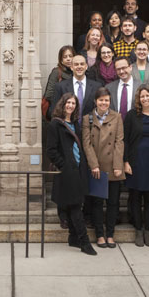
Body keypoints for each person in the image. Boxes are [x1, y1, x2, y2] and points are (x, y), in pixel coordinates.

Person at [46, 93, 95, 256]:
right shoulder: (55, 124)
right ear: (62, 104)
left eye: (73, 103)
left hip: (79, 169)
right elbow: (51, 151)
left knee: (76, 203)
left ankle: (73, 237)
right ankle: (84, 242)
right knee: (75, 206)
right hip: (67, 171)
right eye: (68, 102)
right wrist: (64, 165)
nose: (70, 106)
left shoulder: (75, 123)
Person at [82, 88, 124, 248]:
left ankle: (111, 235)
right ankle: (100, 234)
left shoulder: (117, 116)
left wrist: (118, 165)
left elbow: (119, 142)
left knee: (113, 203)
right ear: (95, 101)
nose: (104, 103)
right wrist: (94, 165)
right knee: (97, 203)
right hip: (97, 167)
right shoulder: (88, 119)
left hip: (113, 166)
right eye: (101, 100)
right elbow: (86, 144)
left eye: (106, 100)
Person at [123, 85, 149, 247]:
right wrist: (125, 162)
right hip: (135, 161)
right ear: (138, 99)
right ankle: (138, 230)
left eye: (148, 96)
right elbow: (124, 139)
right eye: (142, 96)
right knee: (136, 197)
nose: (145, 99)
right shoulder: (132, 116)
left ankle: (147, 230)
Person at [51, 53, 99, 122]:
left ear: (86, 66)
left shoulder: (96, 86)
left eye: (82, 64)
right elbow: (54, 111)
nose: (79, 67)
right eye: (76, 64)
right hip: (68, 129)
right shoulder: (60, 86)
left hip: (90, 129)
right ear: (71, 67)